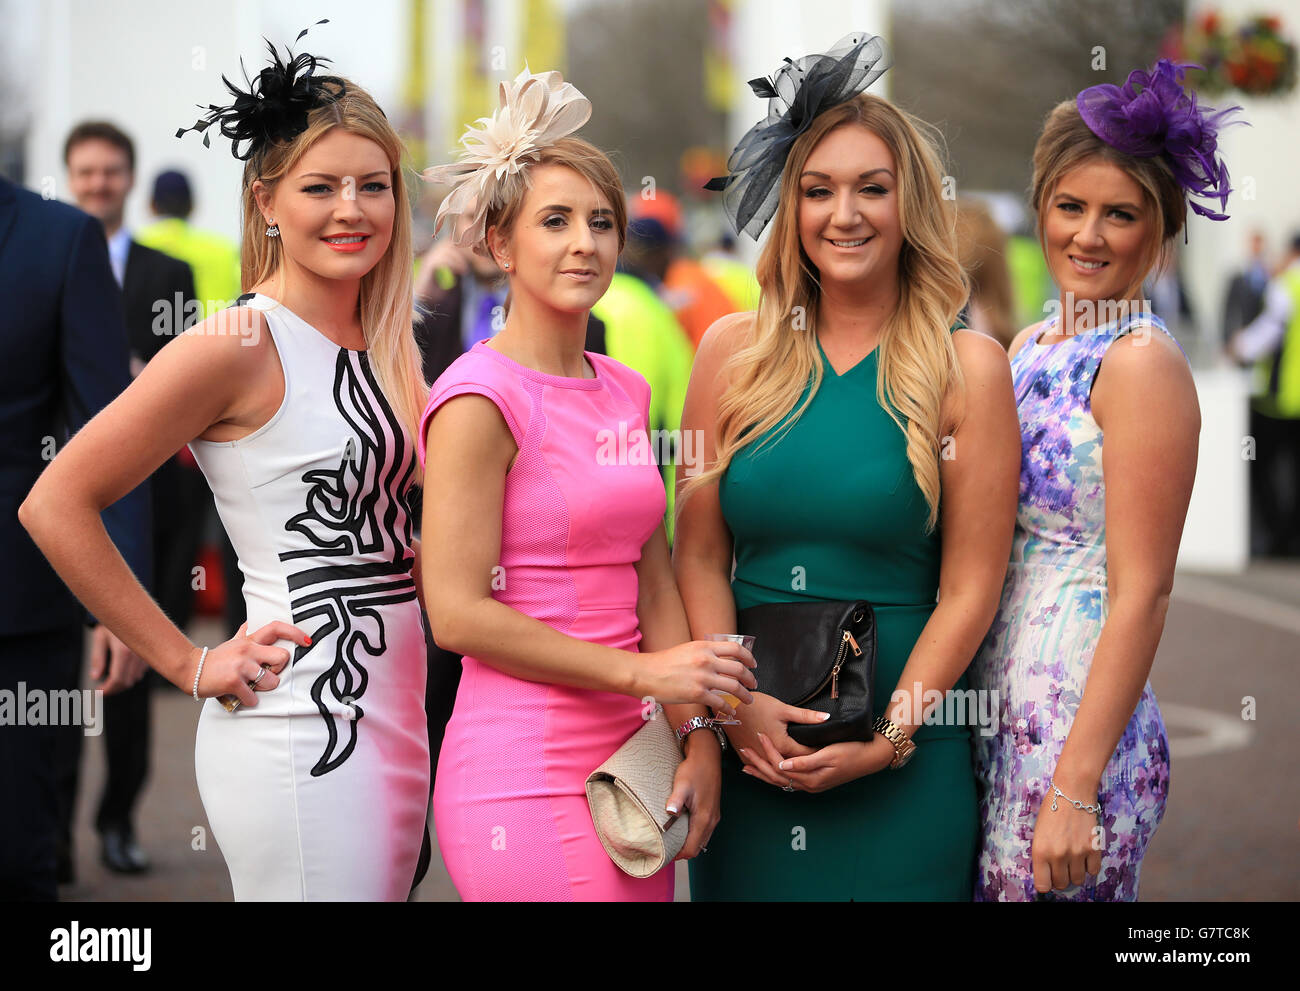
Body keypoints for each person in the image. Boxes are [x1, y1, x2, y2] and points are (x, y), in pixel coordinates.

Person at [21, 26, 432, 900]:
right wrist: (189, 662)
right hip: (297, 724)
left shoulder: (393, 340)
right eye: (320, 187)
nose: (351, 208)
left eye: (374, 185)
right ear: (266, 202)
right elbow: (56, 501)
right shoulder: (237, 341)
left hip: (401, 717)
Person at [676, 33, 1020, 901]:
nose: (846, 214)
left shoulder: (967, 365)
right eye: (819, 191)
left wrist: (893, 737)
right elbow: (697, 554)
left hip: (905, 768)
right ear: (790, 208)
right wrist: (731, 708)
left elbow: (973, 586)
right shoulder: (730, 352)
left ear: (912, 206)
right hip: (751, 759)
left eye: (873, 189)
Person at [418, 66, 757, 901]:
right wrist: (648, 677)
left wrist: (700, 734)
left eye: (602, 222)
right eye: (556, 221)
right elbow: (457, 612)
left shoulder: (625, 388)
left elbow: (654, 582)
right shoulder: (475, 396)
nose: (586, 243)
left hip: (635, 765)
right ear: (500, 244)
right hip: (519, 768)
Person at [970, 58, 1230, 901]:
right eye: (1070, 206)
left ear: (1158, 233)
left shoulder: (1143, 364)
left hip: (1072, 729)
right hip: (995, 711)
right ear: (1040, 206)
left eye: (1120, 215)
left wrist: (1077, 783)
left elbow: (1144, 592)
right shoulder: (1028, 347)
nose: (1088, 234)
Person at [2, 174, 151, 900]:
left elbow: (107, 435)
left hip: (18, 610)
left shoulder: (59, 239)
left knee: (20, 844)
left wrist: (115, 602)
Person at [62, 122, 200, 877]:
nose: (98, 184)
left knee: (132, 658)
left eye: (111, 171)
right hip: (61, 488)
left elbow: (187, 366)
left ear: (129, 178)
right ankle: (52, 834)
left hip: (144, 493)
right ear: (70, 175)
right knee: (55, 675)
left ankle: (119, 820)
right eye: (85, 172)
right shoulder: (47, 259)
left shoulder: (167, 270)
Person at [1229, 232, 1300, 557]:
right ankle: (1287, 537)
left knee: (1256, 465)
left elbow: (1270, 331)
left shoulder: (1286, 284)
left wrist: (1238, 347)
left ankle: (1278, 538)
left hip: (1279, 400)